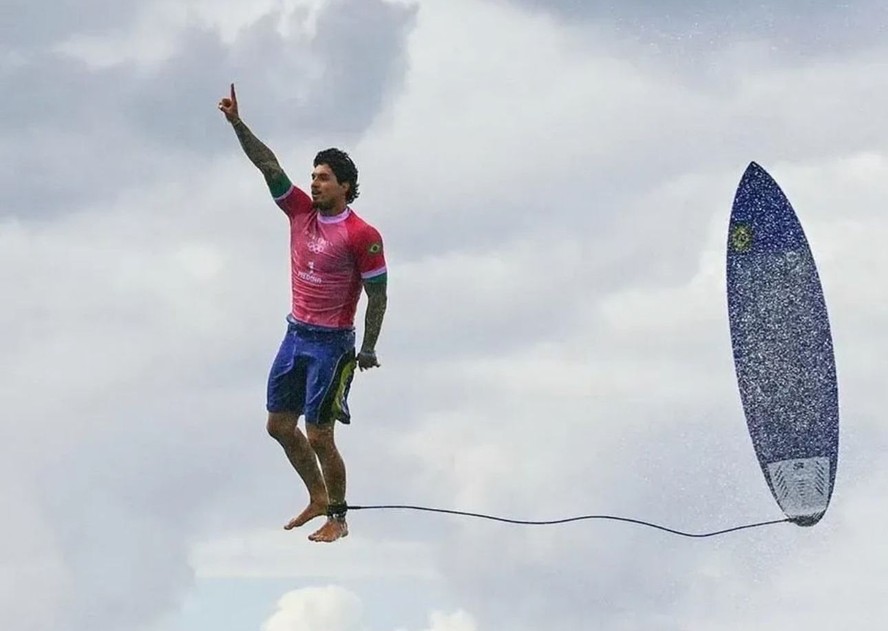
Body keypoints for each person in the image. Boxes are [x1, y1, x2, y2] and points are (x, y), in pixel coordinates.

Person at [218, 83, 388, 543]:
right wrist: (237, 123)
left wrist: (368, 346)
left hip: (332, 345)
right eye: (313, 176)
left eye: (324, 178)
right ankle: (316, 495)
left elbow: (378, 294)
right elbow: (267, 164)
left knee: (319, 434)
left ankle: (338, 516)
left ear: (345, 187)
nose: (314, 183)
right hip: (296, 335)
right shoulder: (299, 212)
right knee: (278, 425)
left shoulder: (361, 234)